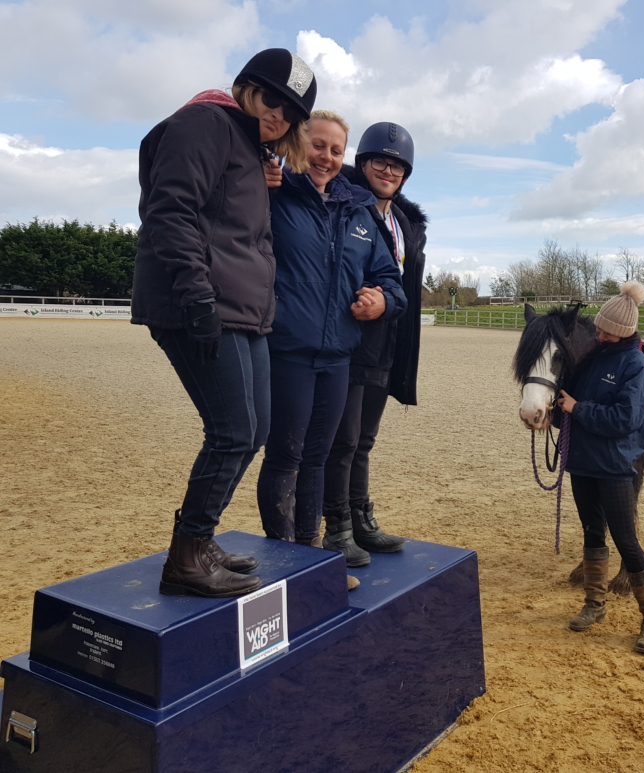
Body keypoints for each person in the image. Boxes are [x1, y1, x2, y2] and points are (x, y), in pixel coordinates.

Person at [131, 49, 316, 597]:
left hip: (242, 310)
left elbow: (239, 235)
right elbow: (170, 210)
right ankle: (187, 554)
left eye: (291, 111)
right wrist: (196, 300)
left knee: (253, 431)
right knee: (233, 431)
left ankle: (198, 539)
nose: (279, 114)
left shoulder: (250, 148)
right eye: (272, 98)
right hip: (203, 305)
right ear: (245, 88)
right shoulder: (205, 122)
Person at [257, 111, 405, 573]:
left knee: (318, 458)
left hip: (338, 355)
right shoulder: (273, 195)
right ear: (297, 145)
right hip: (287, 351)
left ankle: (311, 555)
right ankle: (284, 558)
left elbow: (390, 278)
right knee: (286, 456)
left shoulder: (357, 212)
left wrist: (382, 301)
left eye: (335, 150)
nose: (326, 157)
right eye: (317, 146)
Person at [319, 123, 428, 566]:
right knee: (340, 441)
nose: (388, 170)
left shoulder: (403, 223)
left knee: (363, 440)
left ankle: (361, 519)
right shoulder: (342, 206)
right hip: (348, 340)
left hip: (387, 344)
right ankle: (337, 525)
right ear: (362, 164)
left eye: (397, 165)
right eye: (380, 162)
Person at [555, 281, 644, 654]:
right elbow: (569, 406)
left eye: (604, 330)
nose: (597, 333)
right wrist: (554, 412)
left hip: (615, 466)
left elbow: (624, 420)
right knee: (591, 534)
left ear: (622, 332)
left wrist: (576, 408)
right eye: (599, 327)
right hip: (582, 462)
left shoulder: (636, 365)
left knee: (627, 543)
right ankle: (594, 605)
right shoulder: (593, 357)